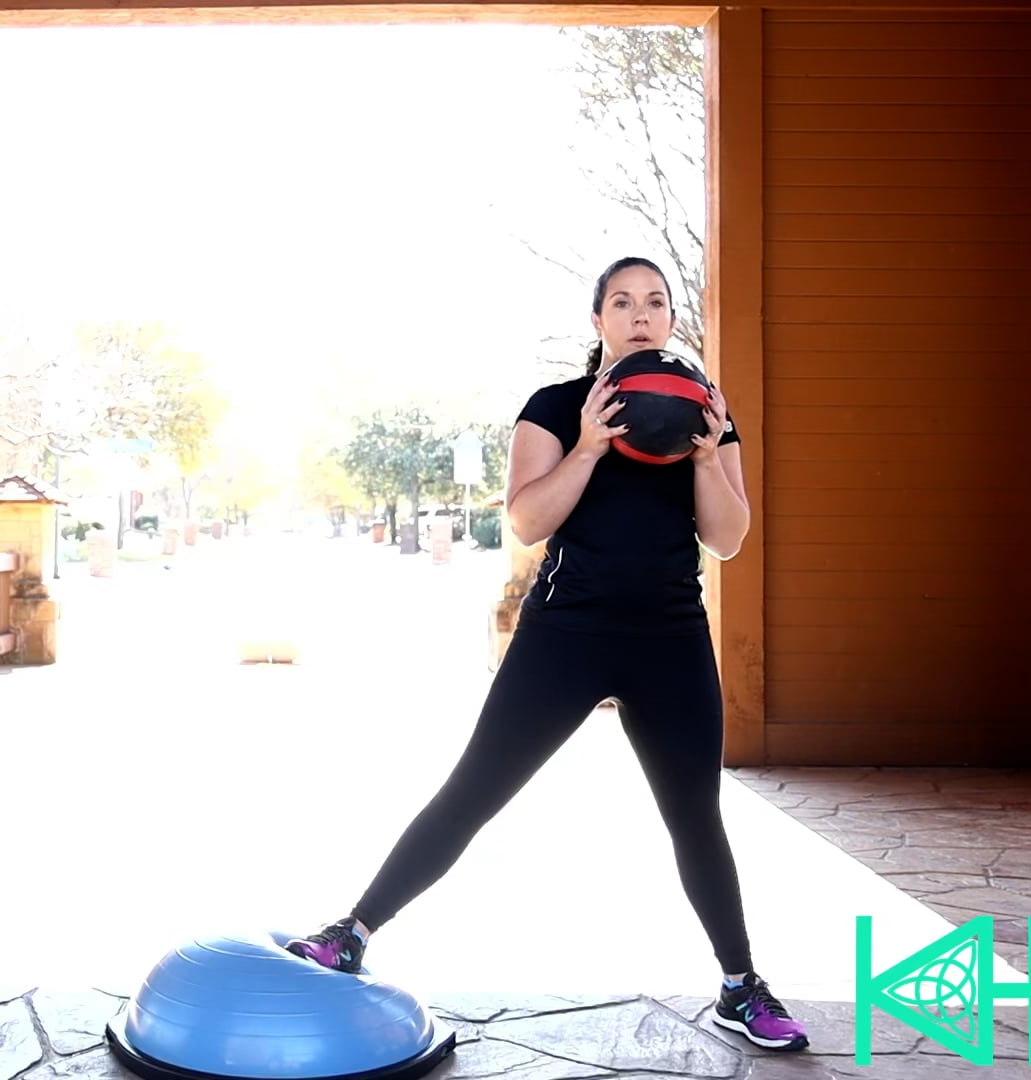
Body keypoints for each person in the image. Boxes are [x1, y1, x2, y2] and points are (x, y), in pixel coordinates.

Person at [284, 256, 809, 1053]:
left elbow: (728, 539)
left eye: (655, 302)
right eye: (622, 302)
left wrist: (706, 456)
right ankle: (352, 931)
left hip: (669, 637)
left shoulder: (707, 414)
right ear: (599, 320)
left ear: (671, 319)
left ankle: (740, 987)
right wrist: (590, 446)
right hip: (566, 633)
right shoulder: (556, 407)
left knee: (695, 816)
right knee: (475, 790)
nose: (640, 314)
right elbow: (528, 521)